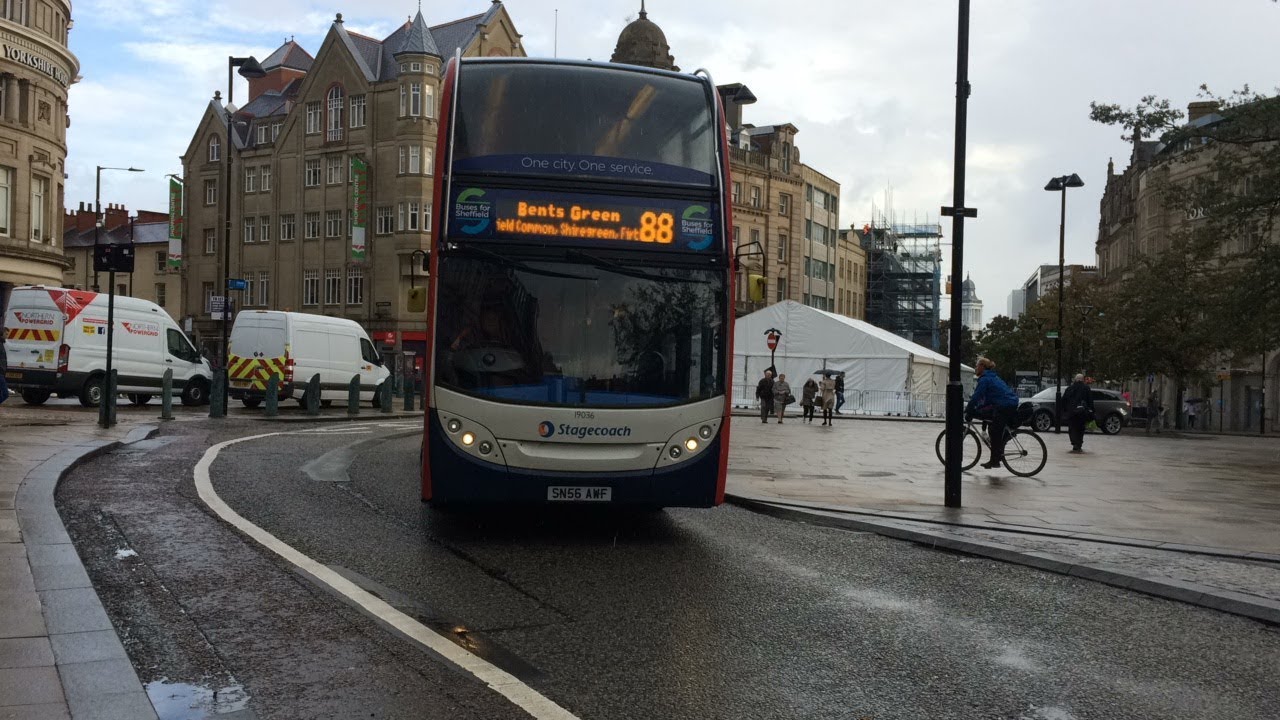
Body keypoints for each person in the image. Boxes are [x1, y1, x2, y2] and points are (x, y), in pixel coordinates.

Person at [964, 357, 1020, 468]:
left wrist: (969, 409)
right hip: (1008, 403)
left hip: (1005, 405)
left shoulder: (985, 379)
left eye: (977, 366)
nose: (976, 368)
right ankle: (1000, 448)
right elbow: (987, 400)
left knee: (995, 431)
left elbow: (977, 396)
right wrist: (977, 408)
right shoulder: (992, 377)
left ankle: (995, 460)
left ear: (982, 367)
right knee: (992, 426)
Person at [1060, 373, 1095, 453]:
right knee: (1080, 428)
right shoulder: (1086, 388)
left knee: (1072, 428)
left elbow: (1064, 400)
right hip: (1082, 412)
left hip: (1071, 412)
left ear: (1075, 379)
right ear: (1082, 380)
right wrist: (1092, 410)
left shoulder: (1070, 388)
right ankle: (1079, 444)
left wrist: (1064, 411)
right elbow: (1090, 400)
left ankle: (1074, 443)